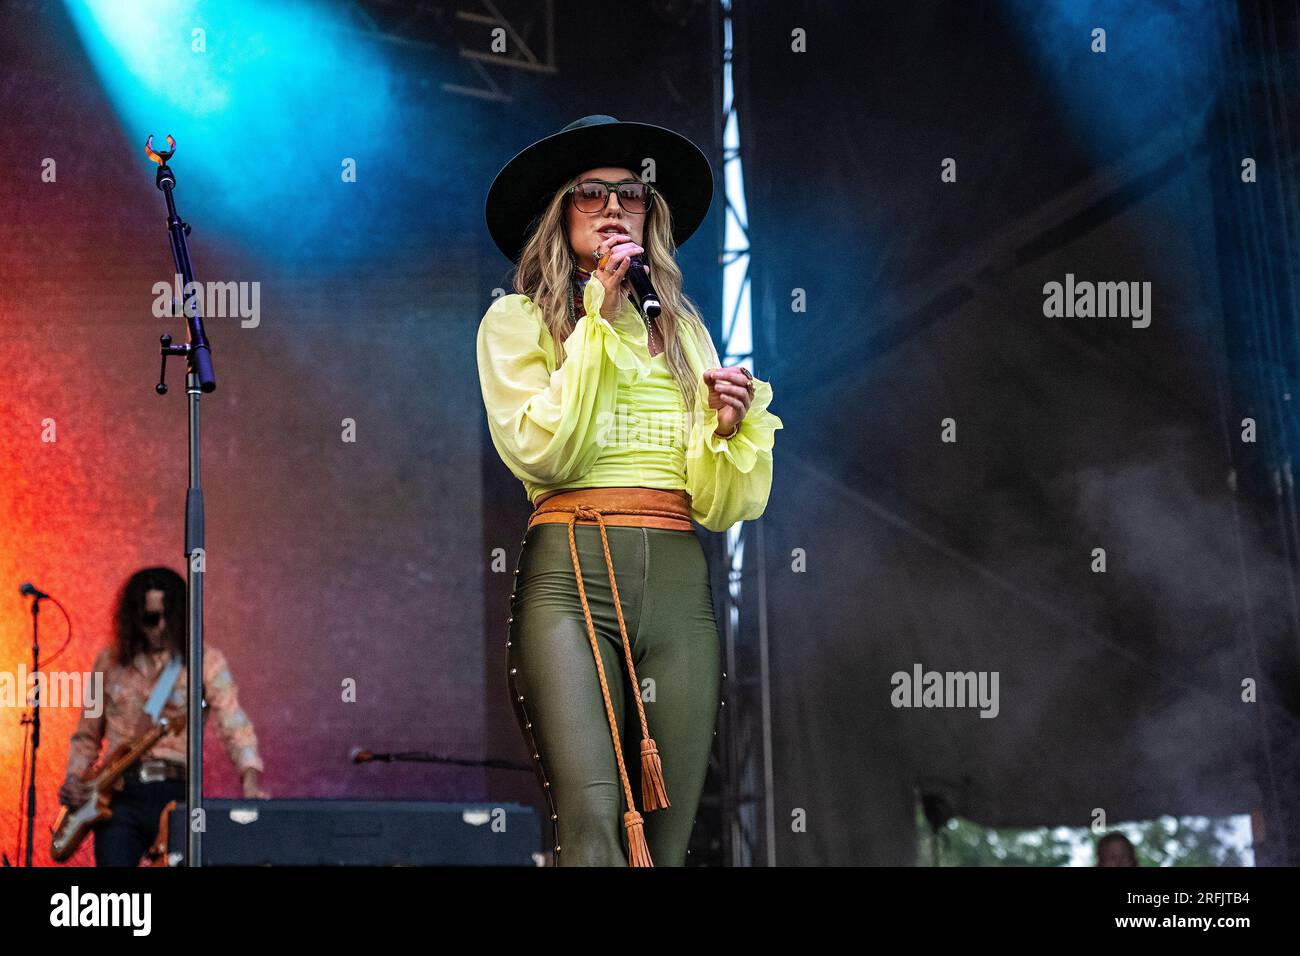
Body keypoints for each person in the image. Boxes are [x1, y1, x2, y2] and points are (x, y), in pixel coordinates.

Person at [478, 115, 783, 866]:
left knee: (668, 837)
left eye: (632, 194)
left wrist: (724, 427)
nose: (614, 206)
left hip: (678, 582)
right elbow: (543, 450)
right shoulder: (518, 322)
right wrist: (597, 316)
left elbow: (720, 504)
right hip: (571, 575)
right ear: (560, 211)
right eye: (591, 192)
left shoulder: (684, 333)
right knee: (593, 825)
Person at [58, 566, 267, 866]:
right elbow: (87, 733)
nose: (161, 627)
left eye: (170, 617)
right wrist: (76, 780)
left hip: (177, 793)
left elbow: (235, 724)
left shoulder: (205, 661)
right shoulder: (108, 661)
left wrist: (249, 778)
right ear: (134, 618)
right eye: (151, 619)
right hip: (119, 793)